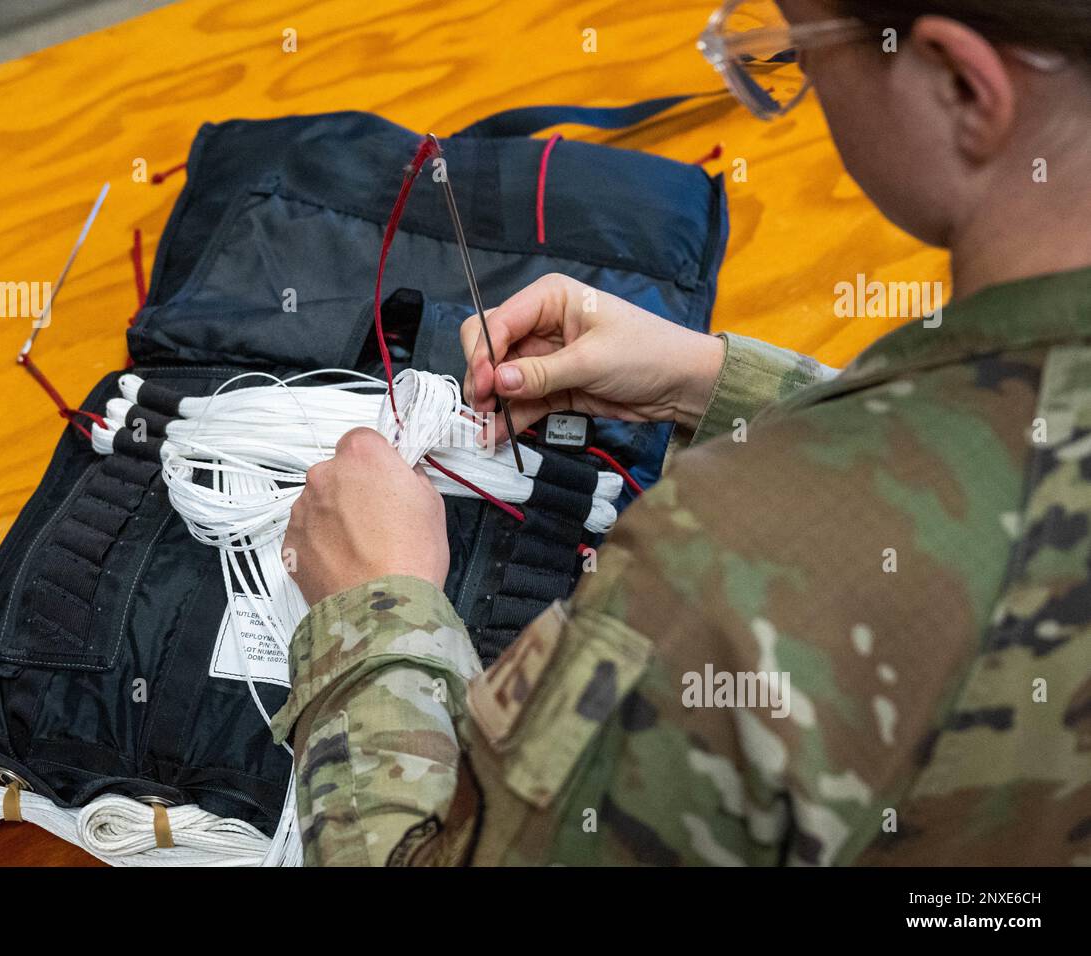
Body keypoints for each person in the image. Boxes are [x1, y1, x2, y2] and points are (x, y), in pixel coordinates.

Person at [276, 0, 1091, 865]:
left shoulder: (726, 581)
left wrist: (370, 618)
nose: (801, 87)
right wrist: (717, 384)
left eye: (800, 54)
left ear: (961, 87)